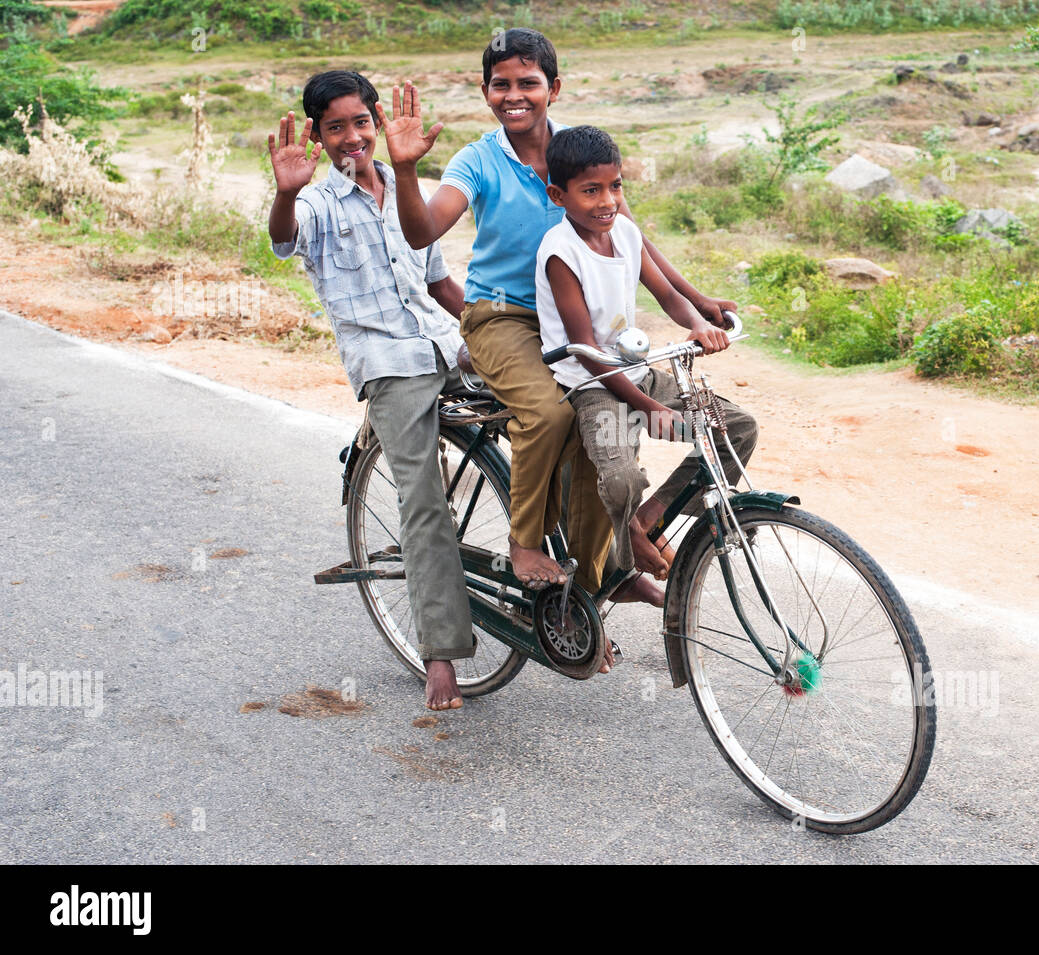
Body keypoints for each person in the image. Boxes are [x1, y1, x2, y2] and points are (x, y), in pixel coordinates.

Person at [380, 28, 736, 618]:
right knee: (549, 413)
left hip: (580, 321)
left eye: (528, 83)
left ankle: (604, 568)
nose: (513, 95)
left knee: (605, 421)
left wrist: (698, 305)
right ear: (485, 90)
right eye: (501, 85)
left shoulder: (579, 152)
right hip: (503, 317)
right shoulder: (477, 159)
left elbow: (633, 241)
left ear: (554, 88)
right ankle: (523, 543)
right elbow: (421, 233)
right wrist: (406, 169)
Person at [266, 70, 470, 711]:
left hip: (447, 342)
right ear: (319, 138)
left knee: (552, 414)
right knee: (424, 499)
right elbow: (283, 238)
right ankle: (439, 654)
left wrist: (495, 337)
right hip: (389, 363)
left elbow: (438, 284)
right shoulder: (318, 205)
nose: (352, 138)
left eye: (361, 122)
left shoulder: (414, 190)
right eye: (335, 128)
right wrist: (284, 193)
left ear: (379, 122)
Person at [536, 126, 758, 579]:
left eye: (615, 186)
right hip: (595, 386)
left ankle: (649, 518)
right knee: (620, 480)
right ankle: (618, 565)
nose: (607, 202)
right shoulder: (561, 253)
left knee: (736, 428)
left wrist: (699, 324)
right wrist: (649, 407)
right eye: (590, 191)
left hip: (639, 373)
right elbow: (590, 355)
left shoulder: (626, 234)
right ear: (559, 195)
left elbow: (668, 295)